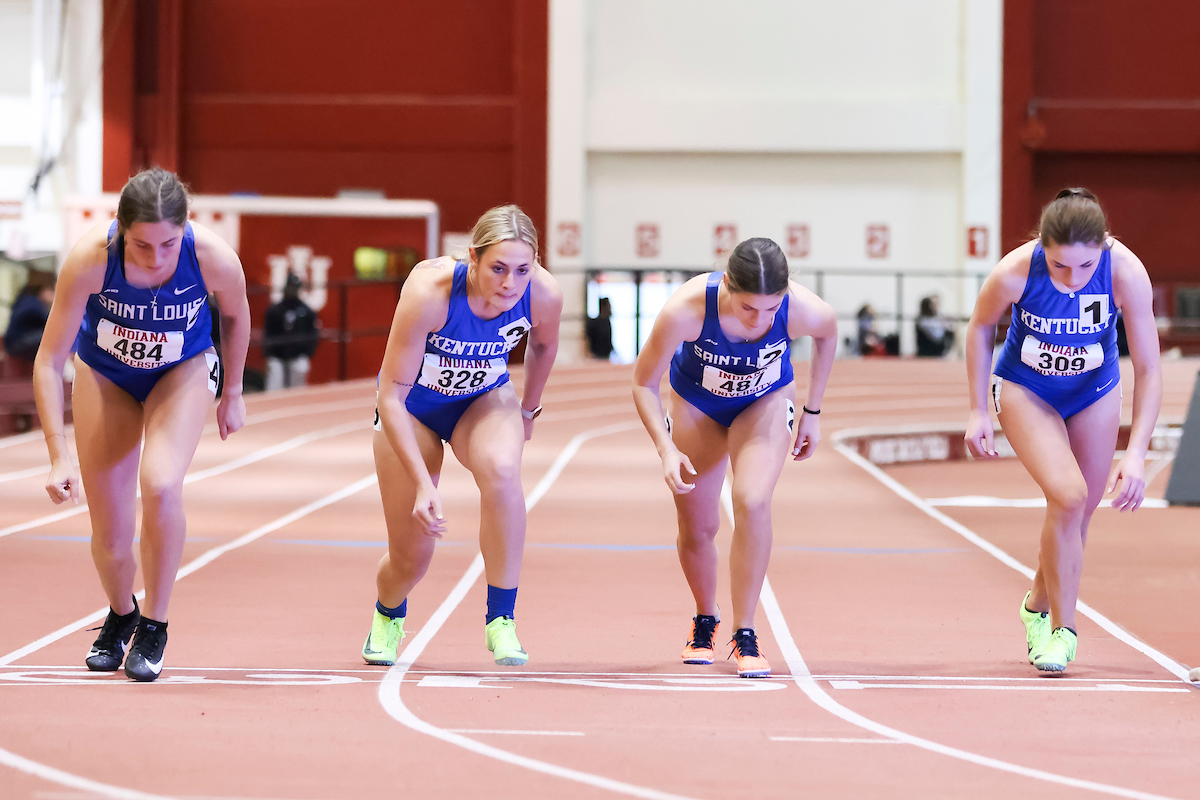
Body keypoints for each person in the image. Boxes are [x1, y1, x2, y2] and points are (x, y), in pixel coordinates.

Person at [33, 167, 250, 682]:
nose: (155, 259)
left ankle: (154, 623)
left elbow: (237, 315)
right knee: (110, 534)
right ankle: (122, 613)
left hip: (181, 370)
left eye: (169, 245)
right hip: (106, 375)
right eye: (141, 246)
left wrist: (234, 390)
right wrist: (56, 453)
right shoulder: (91, 259)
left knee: (160, 483)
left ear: (186, 228)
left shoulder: (213, 256)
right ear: (120, 228)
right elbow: (48, 360)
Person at [965, 188, 1160, 674]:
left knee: (1079, 511)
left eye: (1085, 267)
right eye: (1059, 267)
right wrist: (976, 411)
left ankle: (1034, 604)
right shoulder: (1014, 270)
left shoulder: (1126, 273)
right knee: (1070, 496)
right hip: (1027, 389)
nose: (1073, 279)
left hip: (1094, 390)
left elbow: (1150, 369)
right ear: (1041, 248)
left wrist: (1136, 453)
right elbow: (979, 328)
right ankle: (1063, 631)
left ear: (1104, 248)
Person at [362, 204, 562, 668]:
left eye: (521, 270)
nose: (510, 284)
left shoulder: (544, 294)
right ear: (472, 258)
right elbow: (390, 393)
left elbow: (546, 344)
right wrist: (424, 484)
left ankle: (501, 621)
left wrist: (529, 407)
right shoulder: (430, 291)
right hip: (412, 408)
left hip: (482, 399)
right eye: (497, 269)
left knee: (502, 470)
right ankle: (388, 613)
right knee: (412, 557)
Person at [632, 238, 836, 677]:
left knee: (753, 501)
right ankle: (705, 616)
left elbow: (828, 333)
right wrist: (666, 449)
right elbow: (642, 383)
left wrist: (813, 411)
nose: (761, 320)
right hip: (696, 406)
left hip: (763, 401)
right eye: (748, 309)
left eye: (771, 309)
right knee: (698, 525)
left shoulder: (802, 308)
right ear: (727, 285)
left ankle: (745, 631)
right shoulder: (686, 309)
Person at [263, 272, 320, 390]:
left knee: (298, 383)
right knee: (274, 385)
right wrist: (270, 351)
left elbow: (312, 333)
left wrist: (307, 351)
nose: (292, 291)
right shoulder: (275, 310)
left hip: (297, 355)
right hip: (277, 355)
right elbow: (268, 332)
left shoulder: (306, 311)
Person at [4, 276, 54, 363]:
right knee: (51, 336)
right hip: (16, 344)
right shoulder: (31, 302)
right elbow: (49, 320)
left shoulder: (28, 301)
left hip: (17, 343)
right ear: (43, 290)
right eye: (51, 291)